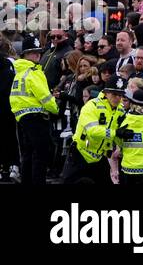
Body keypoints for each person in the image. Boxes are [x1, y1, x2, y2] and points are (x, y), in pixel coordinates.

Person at [10, 34, 57, 184]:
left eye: (38, 52)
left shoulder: (19, 73)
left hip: (22, 118)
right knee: (40, 154)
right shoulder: (35, 72)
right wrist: (56, 109)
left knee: (28, 155)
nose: (37, 55)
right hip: (36, 117)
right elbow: (45, 97)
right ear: (25, 55)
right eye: (33, 52)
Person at [63, 77, 126, 184]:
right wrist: (115, 132)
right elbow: (92, 131)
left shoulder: (120, 110)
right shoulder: (92, 106)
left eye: (120, 95)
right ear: (106, 93)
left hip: (100, 157)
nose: (117, 98)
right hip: (80, 154)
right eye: (114, 94)